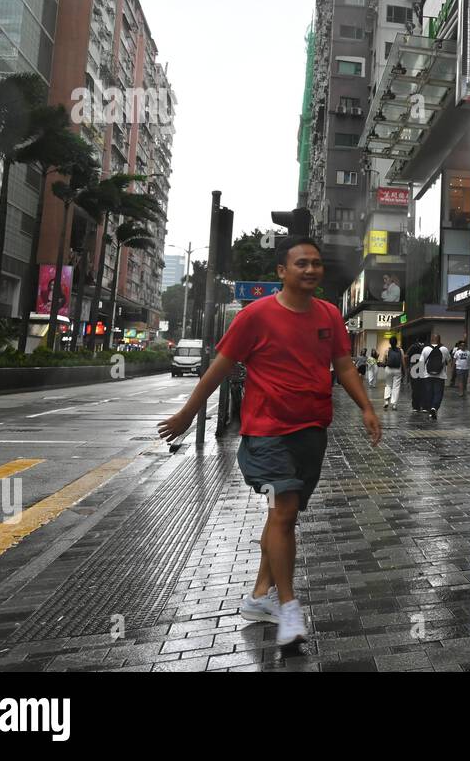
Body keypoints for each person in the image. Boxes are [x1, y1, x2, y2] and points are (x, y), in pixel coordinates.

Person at [156, 237, 381, 646]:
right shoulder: (255, 317)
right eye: (301, 264)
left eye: (316, 263)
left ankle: (260, 597)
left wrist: (366, 407)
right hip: (267, 434)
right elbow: (220, 367)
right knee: (284, 510)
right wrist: (188, 414)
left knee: (285, 519)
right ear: (282, 271)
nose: (311, 270)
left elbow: (344, 365)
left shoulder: (329, 315)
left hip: (312, 431)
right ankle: (290, 609)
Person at [420, 332, 451, 420]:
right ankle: (434, 408)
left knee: (429, 393)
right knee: (438, 393)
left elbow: (421, 362)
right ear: (440, 340)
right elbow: (449, 360)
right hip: (440, 375)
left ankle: (430, 409)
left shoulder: (426, 349)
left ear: (431, 340)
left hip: (428, 375)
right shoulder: (444, 349)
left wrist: (422, 374)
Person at [382, 336, 404, 410]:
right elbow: (403, 362)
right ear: (396, 342)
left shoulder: (387, 350)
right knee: (396, 387)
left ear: (390, 343)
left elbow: (383, 361)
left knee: (388, 385)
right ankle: (394, 404)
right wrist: (405, 371)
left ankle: (386, 402)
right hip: (397, 370)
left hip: (388, 369)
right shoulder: (401, 350)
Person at [407, 337, 425, 411]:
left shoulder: (413, 346)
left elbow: (406, 355)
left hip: (414, 369)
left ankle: (415, 406)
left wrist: (408, 366)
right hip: (422, 369)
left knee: (415, 389)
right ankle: (422, 405)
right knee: (422, 388)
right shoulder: (426, 347)